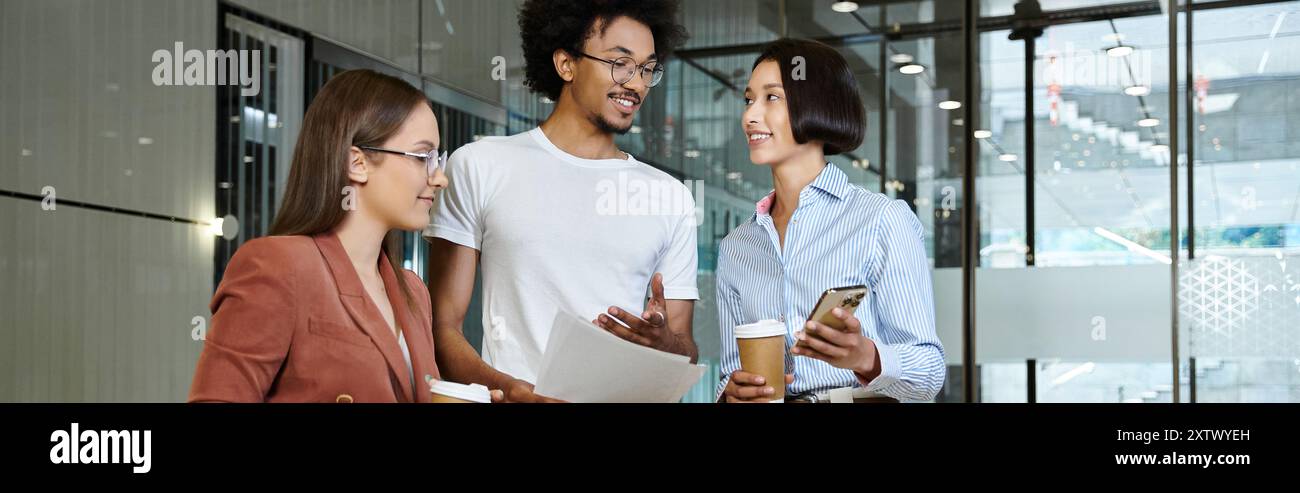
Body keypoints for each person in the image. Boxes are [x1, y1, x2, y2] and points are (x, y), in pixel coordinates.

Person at [427, 0, 695, 402]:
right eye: (620, 63)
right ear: (566, 64)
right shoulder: (480, 165)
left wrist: (666, 345)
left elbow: (685, 351)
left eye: (646, 69)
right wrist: (511, 390)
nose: (636, 83)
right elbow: (442, 327)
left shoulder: (669, 196)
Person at [189, 69, 483, 403]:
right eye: (423, 157)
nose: (439, 178)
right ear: (357, 163)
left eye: (438, 159)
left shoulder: (413, 292)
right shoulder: (278, 266)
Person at [716, 39, 946, 403]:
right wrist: (731, 393)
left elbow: (929, 373)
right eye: (749, 99)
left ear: (817, 103)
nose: (749, 116)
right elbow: (731, 370)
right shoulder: (736, 247)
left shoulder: (880, 220)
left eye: (771, 97)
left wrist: (865, 356)